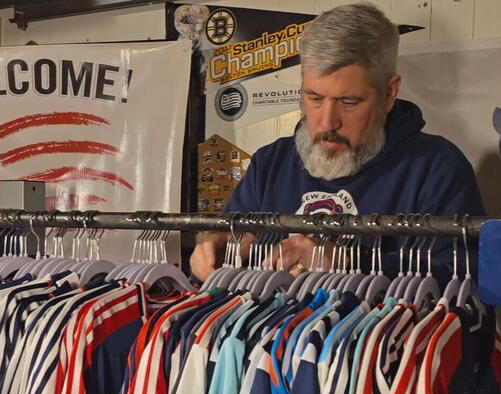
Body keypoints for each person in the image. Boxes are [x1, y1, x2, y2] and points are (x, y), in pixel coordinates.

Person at [189, 2, 484, 282]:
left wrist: (347, 261)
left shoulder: (436, 168)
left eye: (348, 102)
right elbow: (230, 245)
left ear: (388, 93)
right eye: (314, 98)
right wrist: (218, 248)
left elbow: (464, 277)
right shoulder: (270, 164)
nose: (327, 123)